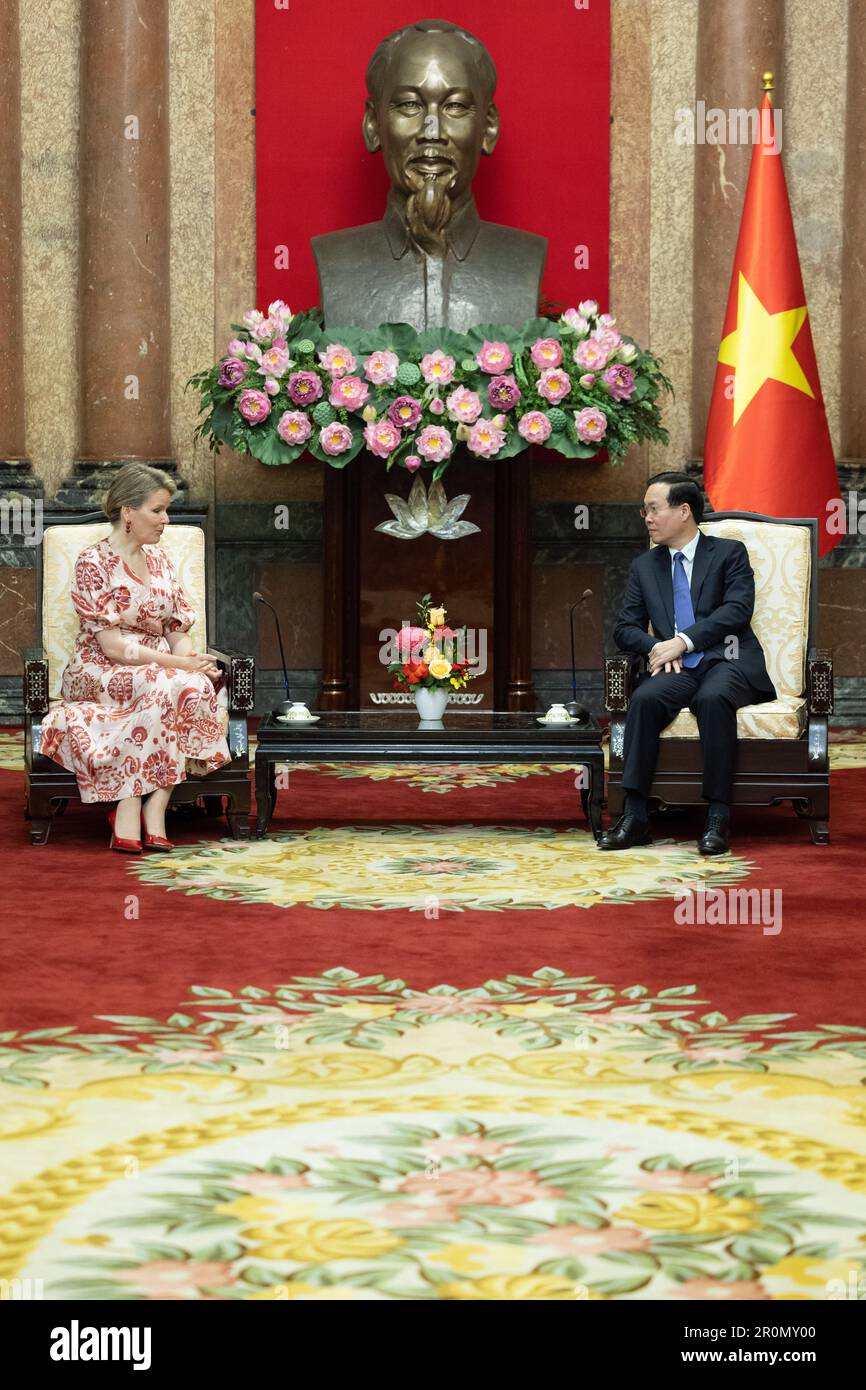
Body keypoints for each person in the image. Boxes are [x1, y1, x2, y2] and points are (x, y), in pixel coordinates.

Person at [312, 18, 546, 331]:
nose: (431, 132)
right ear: (373, 124)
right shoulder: (336, 260)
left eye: (456, 106)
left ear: (488, 128)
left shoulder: (524, 259)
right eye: (409, 105)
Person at [40, 464, 229, 852]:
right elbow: (111, 646)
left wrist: (189, 659)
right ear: (128, 512)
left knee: (193, 686)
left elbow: (177, 629)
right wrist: (179, 666)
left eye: (166, 510)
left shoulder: (160, 562)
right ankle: (131, 805)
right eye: (157, 510)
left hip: (158, 664)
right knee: (169, 683)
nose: (166, 520)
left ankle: (152, 806)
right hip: (101, 667)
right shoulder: (93, 562)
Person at [600, 471, 776, 855]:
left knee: (713, 699)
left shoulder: (729, 553)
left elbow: (737, 611)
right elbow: (625, 628)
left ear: (683, 511)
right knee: (644, 699)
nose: (646, 517)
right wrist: (659, 647)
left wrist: (682, 641)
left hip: (726, 660)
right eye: (643, 510)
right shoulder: (645, 566)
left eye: (653, 509)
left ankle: (717, 815)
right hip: (676, 669)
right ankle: (635, 816)